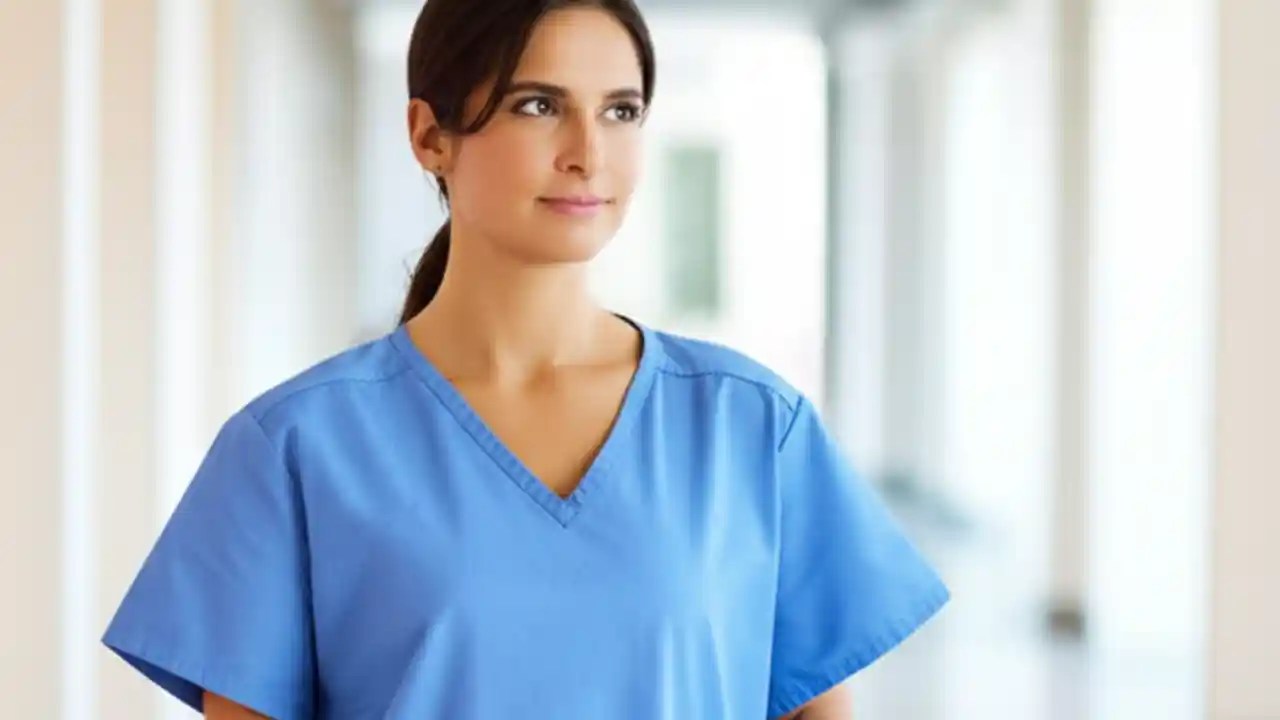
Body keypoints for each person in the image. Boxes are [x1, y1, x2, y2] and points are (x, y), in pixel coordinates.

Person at [101, 1, 950, 718]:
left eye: (621, 110)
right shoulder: (293, 449)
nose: (589, 150)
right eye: (538, 105)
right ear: (429, 135)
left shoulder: (751, 427)